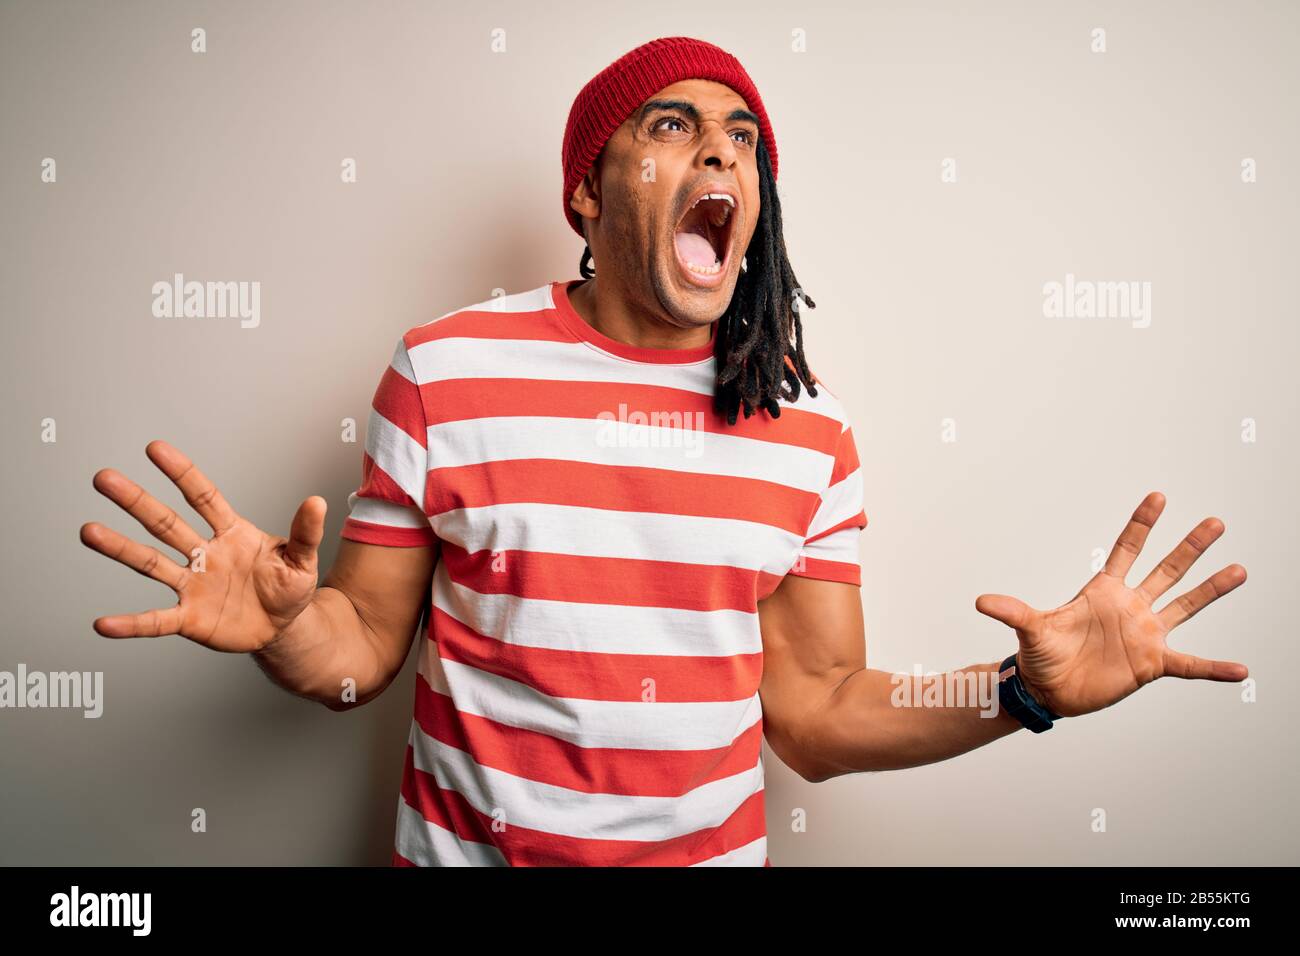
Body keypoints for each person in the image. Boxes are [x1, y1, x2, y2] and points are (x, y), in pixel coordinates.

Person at [78, 36, 1248, 867]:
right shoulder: (444, 369)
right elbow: (362, 653)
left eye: (742, 139)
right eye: (673, 126)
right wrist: (290, 630)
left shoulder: (807, 429)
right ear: (587, 192)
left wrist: (1015, 695)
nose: (723, 156)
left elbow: (817, 711)